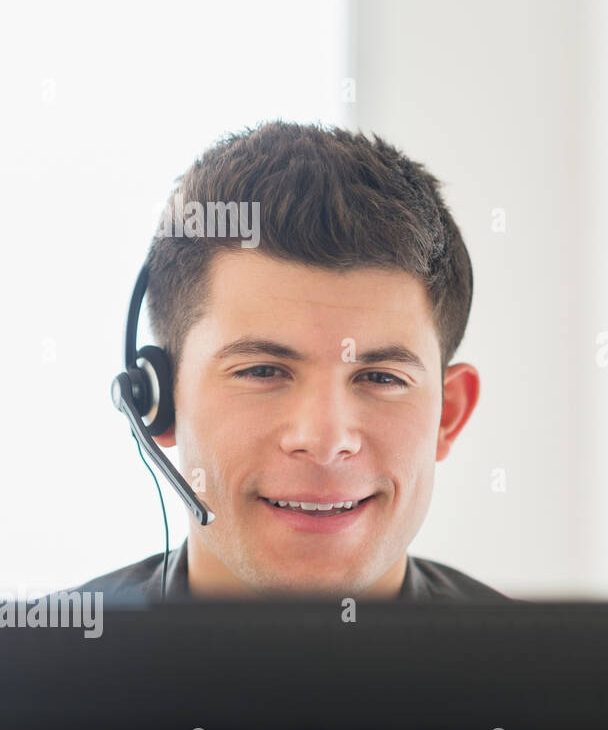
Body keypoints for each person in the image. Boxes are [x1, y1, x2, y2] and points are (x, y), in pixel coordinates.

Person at [76, 121, 508, 604]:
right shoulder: (30, 671)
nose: (324, 442)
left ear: (448, 416)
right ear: (158, 402)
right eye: (262, 371)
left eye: (381, 377)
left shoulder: (547, 675)